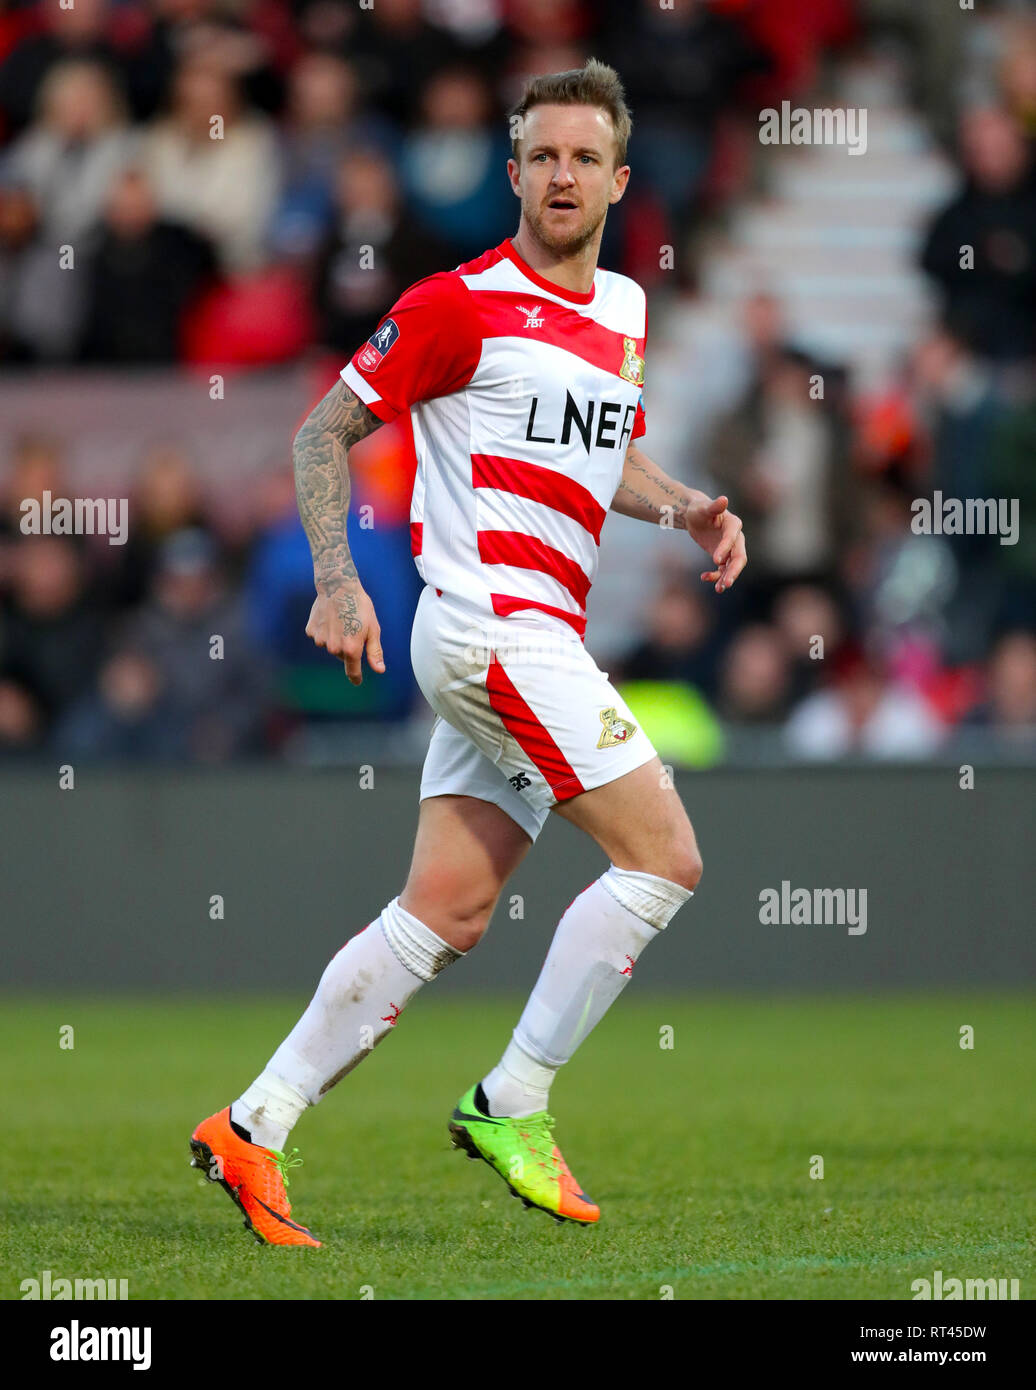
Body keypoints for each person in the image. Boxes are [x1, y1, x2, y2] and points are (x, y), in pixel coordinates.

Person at [190, 60, 747, 1247]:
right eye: (542, 155)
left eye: (583, 157)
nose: (561, 175)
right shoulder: (456, 303)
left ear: (617, 180)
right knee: (666, 860)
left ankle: (254, 1122)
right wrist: (340, 586)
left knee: (442, 911)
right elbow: (322, 433)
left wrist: (688, 505)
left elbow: (606, 456)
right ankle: (515, 1098)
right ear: (512, 174)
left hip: (522, 640)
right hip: (493, 628)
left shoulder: (626, 315)